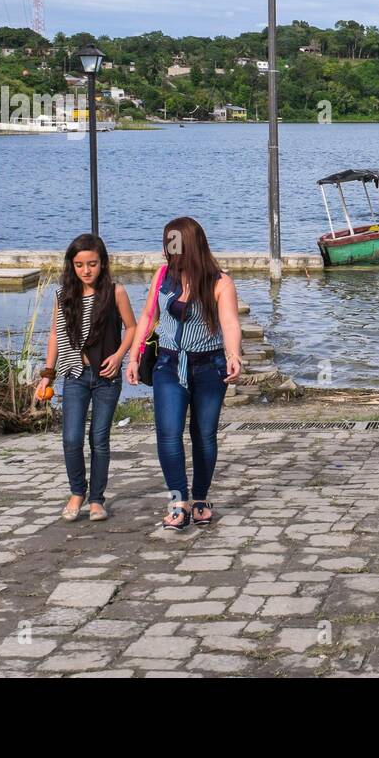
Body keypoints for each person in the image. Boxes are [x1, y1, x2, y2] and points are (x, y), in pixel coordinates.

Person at [127, 217, 243, 530]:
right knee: (168, 433)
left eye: (174, 243)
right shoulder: (163, 276)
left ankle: (200, 499)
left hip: (209, 367)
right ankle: (178, 501)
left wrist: (233, 356)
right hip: (167, 364)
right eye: (167, 243)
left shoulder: (220, 282)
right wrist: (135, 357)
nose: (169, 250)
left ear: (191, 245)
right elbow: (148, 315)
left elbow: (230, 323)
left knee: (204, 435)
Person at [36, 234, 137, 522]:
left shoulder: (116, 292)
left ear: (103, 263)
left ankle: (96, 500)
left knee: (99, 439)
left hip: (106, 376)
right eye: (80, 265)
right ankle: (77, 492)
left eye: (92, 264)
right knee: (71, 439)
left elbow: (131, 328)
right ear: (72, 266)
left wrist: (119, 357)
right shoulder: (62, 295)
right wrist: (47, 374)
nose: (86, 270)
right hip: (73, 375)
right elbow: (55, 335)